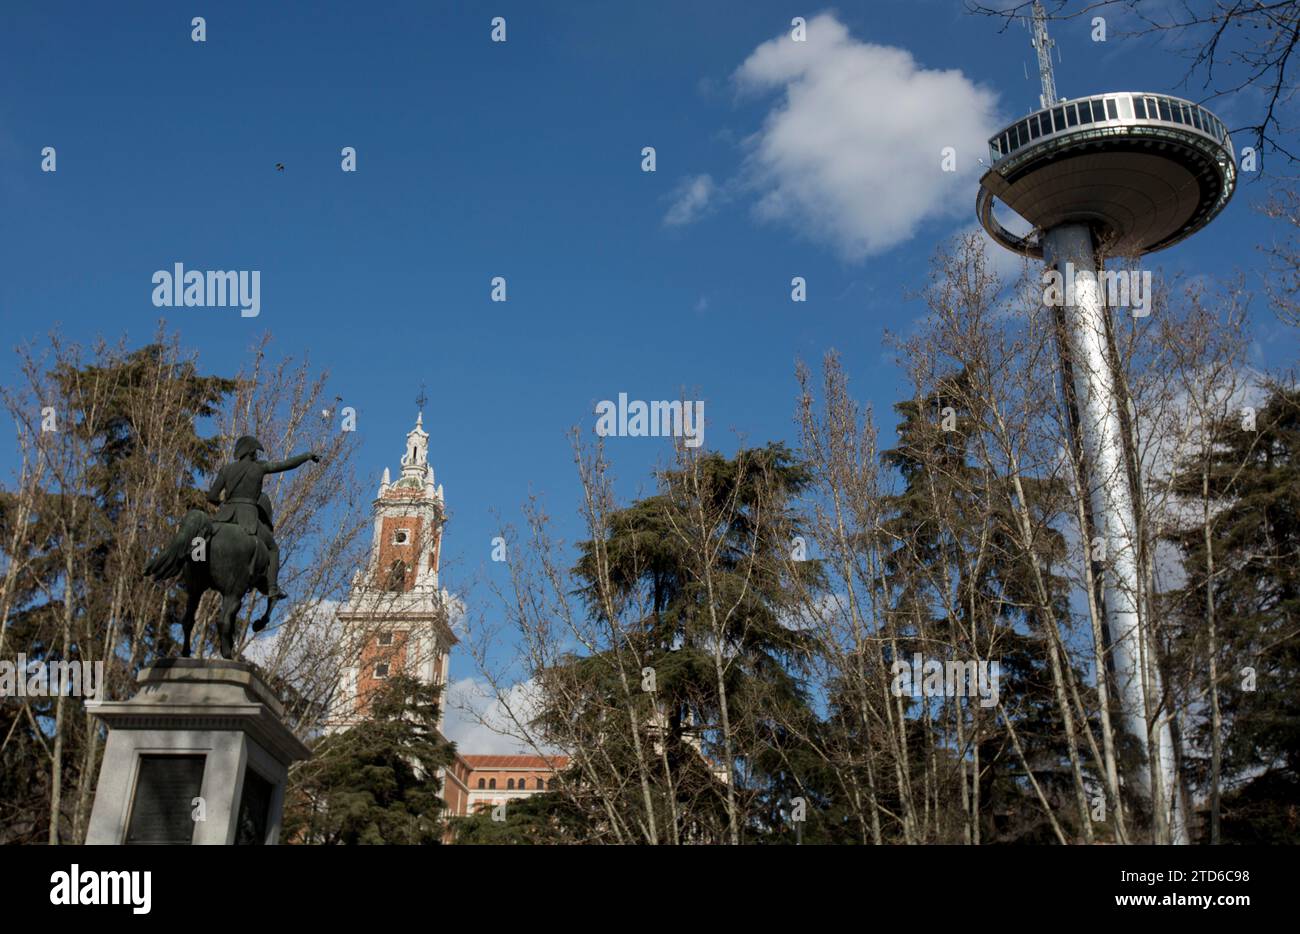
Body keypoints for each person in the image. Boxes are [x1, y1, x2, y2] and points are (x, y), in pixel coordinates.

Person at [208, 435, 319, 600]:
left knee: (202, 539)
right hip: (248, 517)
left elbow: (212, 496)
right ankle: (273, 587)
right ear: (251, 452)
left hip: (225, 515)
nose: (257, 455)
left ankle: (196, 565)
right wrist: (306, 456)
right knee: (274, 549)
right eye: (256, 452)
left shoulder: (226, 469)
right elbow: (285, 465)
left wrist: (222, 501)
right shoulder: (259, 468)